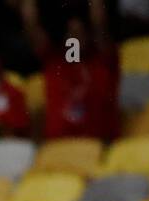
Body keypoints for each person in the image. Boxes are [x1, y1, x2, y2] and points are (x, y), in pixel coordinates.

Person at [21, 0, 119, 143]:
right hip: (58, 146)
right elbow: (32, 28)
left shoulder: (103, 61)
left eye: (80, 33)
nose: (76, 38)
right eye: (72, 34)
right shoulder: (54, 61)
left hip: (98, 145)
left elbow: (99, 24)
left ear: (89, 35)